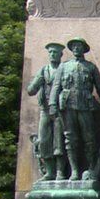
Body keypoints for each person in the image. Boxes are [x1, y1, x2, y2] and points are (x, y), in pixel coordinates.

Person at [49, 37, 100, 180]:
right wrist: (52, 104)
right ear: (71, 49)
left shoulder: (90, 67)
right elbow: (56, 86)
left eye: (79, 46)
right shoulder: (64, 66)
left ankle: (91, 168)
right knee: (69, 139)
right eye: (74, 46)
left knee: (89, 138)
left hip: (85, 105)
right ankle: (74, 171)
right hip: (67, 105)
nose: (76, 48)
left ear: (84, 49)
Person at [27, 42, 67, 180]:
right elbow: (31, 90)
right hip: (45, 110)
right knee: (44, 140)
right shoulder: (44, 70)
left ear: (61, 55)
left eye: (55, 52)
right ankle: (49, 172)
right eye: (50, 52)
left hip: (60, 111)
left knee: (59, 141)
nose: (52, 55)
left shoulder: (64, 69)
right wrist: (34, 84)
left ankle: (60, 172)